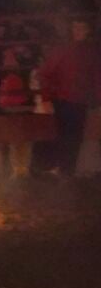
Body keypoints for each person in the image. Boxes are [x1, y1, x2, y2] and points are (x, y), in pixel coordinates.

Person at [34, 16, 100, 177]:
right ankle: (64, 170)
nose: (77, 31)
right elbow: (44, 74)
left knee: (74, 137)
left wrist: (97, 98)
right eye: (75, 27)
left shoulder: (91, 51)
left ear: (88, 30)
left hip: (79, 100)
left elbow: (96, 76)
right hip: (63, 100)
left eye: (81, 28)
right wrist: (47, 98)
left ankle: (67, 171)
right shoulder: (64, 50)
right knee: (66, 135)